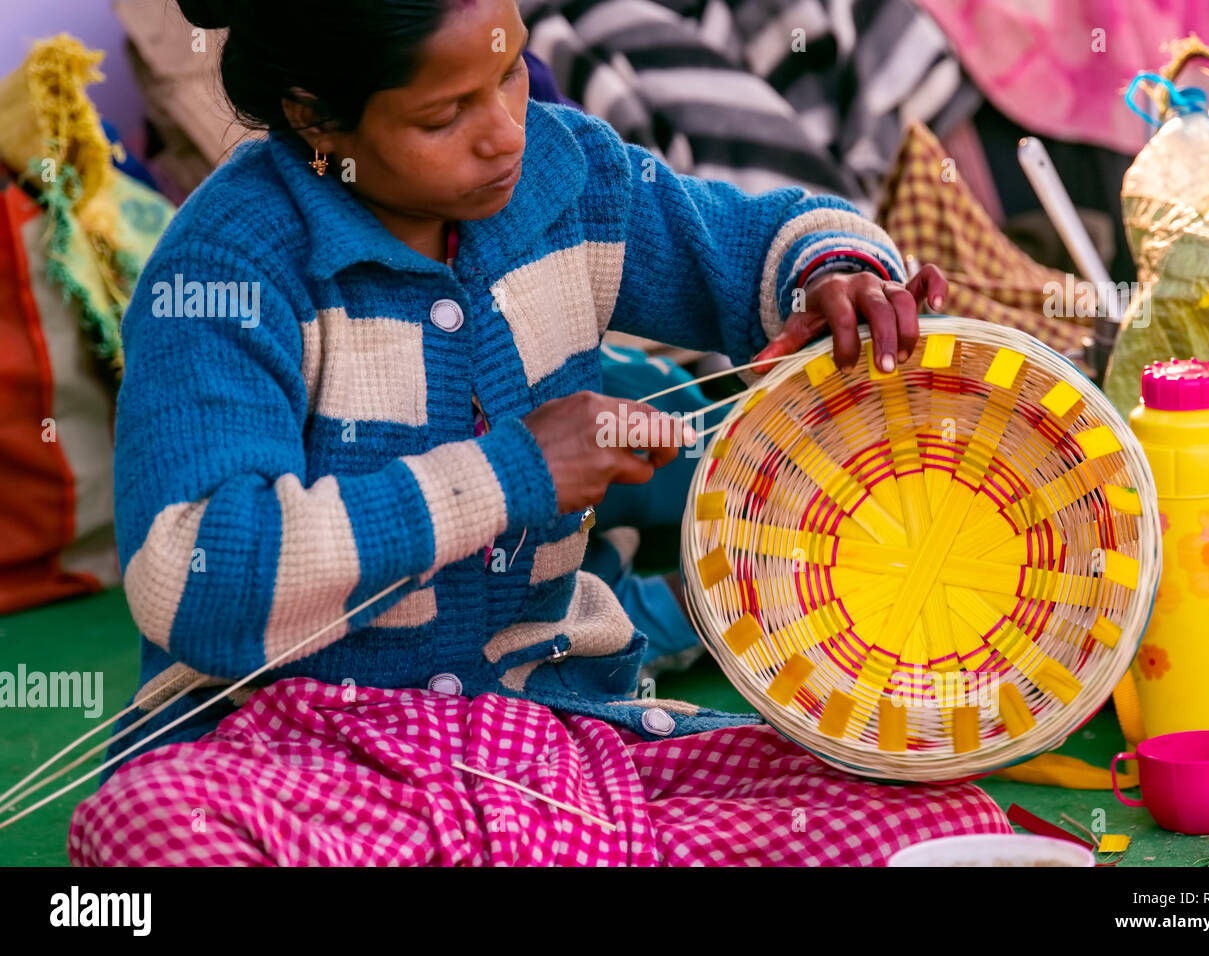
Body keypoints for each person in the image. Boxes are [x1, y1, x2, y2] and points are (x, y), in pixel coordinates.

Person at [68, 0, 1010, 865]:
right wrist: (512, 471)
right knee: (152, 831)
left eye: (512, 69)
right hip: (304, 758)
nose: (505, 131)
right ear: (318, 119)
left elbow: (758, 239)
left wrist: (834, 275)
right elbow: (193, 575)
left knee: (944, 822)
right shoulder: (227, 266)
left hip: (561, 745)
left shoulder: (573, 177)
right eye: (444, 117)